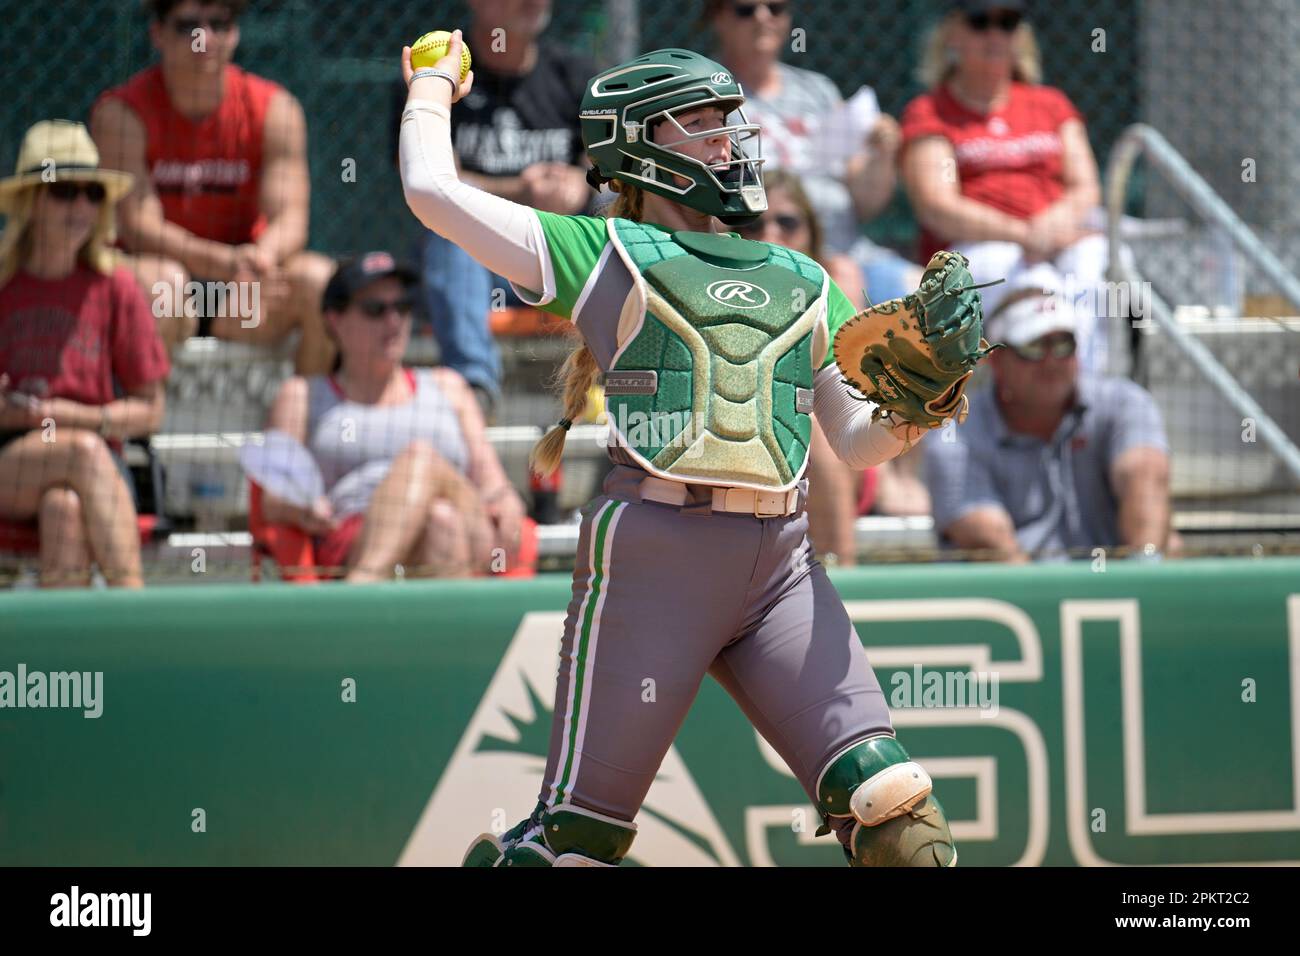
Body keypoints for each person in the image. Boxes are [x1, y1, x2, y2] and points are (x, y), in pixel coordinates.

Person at [400, 35, 957, 867]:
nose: (728, 141)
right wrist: (433, 86)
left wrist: (921, 404)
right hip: (654, 561)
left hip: (782, 566)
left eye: (729, 121)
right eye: (700, 123)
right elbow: (432, 192)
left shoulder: (801, 273)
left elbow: (852, 439)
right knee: (574, 846)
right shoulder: (601, 250)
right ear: (640, 143)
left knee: (893, 808)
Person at [91, 0, 336, 373]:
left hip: (243, 290)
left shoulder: (275, 108)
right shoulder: (121, 113)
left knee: (318, 281)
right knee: (166, 286)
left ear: (235, 34)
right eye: (187, 25)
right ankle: (140, 422)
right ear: (157, 33)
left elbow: (291, 218)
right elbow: (139, 229)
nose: (204, 38)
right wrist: (225, 262)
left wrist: (260, 258)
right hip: (162, 282)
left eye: (219, 24)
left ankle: (304, 420)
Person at [260, 252, 527, 582]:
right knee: (440, 521)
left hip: (471, 529)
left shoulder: (449, 387)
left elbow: (493, 485)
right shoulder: (301, 395)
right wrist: (302, 507)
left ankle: (359, 590)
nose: (394, 322)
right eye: (375, 310)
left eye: (402, 308)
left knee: (423, 461)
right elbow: (272, 501)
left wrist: (507, 500)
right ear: (334, 320)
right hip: (353, 534)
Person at [390, 0, 595, 420]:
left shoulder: (574, 75)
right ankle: (475, 391)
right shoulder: (436, 77)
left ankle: (622, 379)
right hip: (473, 271)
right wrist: (522, 188)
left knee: (614, 229)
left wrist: (582, 184)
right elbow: (427, 176)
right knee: (453, 233)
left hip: (550, 254)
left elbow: (603, 167)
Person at [899, 0, 1117, 373]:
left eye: (1008, 22)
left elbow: (1085, 187)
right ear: (952, 33)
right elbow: (937, 206)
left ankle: (1085, 385)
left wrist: (1047, 229)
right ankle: (1046, 384)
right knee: (1030, 276)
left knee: (1094, 262)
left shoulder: (1050, 103)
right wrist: (1023, 235)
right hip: (975, 249)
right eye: (980, 21)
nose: (995, 34)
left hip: (1055, 236)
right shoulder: (931, 110)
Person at [0, 120, 170, 588]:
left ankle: (64, 662)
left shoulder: (116, 286)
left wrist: (74, 417)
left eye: (92, 194)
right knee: (81, 455)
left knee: (64, 509)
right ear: (31, 202)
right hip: (8, 461)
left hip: (93, 460)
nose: (80, 207)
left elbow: (151, 410)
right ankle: (138, 619)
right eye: (64, 192)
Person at [736, 169, 929, 565]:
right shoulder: (720, 285)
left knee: (812, 428)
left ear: (810, 229)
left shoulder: (835, 277)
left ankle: (841, 576)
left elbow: (859, 377)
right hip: (747, 437)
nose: (771, 235)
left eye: (787, 222)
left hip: (839, 444)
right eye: (754, 223)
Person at [923, 269, 1172, 562]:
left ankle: (1148, 584)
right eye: (1033, 347)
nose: (1052, 361)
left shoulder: (1124, 402)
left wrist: (1142, 576)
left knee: (1149, 485)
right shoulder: (955, 434)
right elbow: (992, 544)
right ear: (997, 360)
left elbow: (1145, 474)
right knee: (986, 539)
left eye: (1064, 343)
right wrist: (1054, 603)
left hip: (1114, 584)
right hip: (1012, 598)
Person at [705, 0, 922, 305]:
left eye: (776, 8)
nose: (763, 17)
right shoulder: (707, 97)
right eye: (745, 9)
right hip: (765, 255)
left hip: (849, 250)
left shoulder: (818, 91)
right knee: (843, 290)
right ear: (718, 19)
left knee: (938, 302)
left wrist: (881, 154)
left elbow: (867, 203)